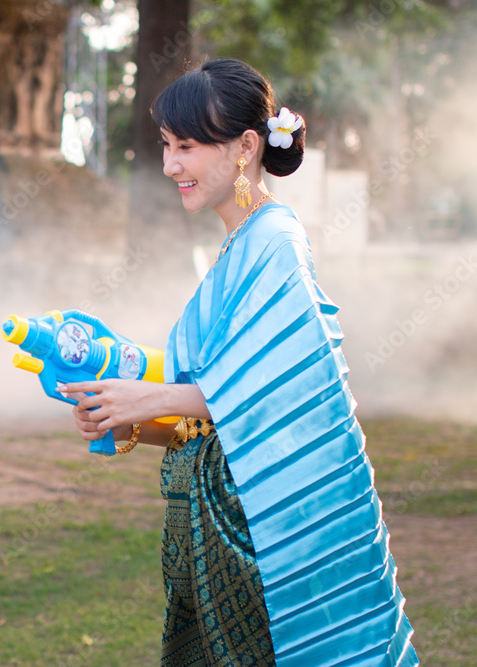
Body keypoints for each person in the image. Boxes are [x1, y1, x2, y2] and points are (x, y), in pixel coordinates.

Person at [62, 60, 418, 666]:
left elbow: (284, 384)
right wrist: (125, 421)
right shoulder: (237, 247)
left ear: (247, 147)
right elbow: (214, 413)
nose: (171, 164)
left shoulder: (274, 240)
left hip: (268, 526)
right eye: (167, 146)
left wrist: (147, 398)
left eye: (188, 146)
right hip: (216, 521)